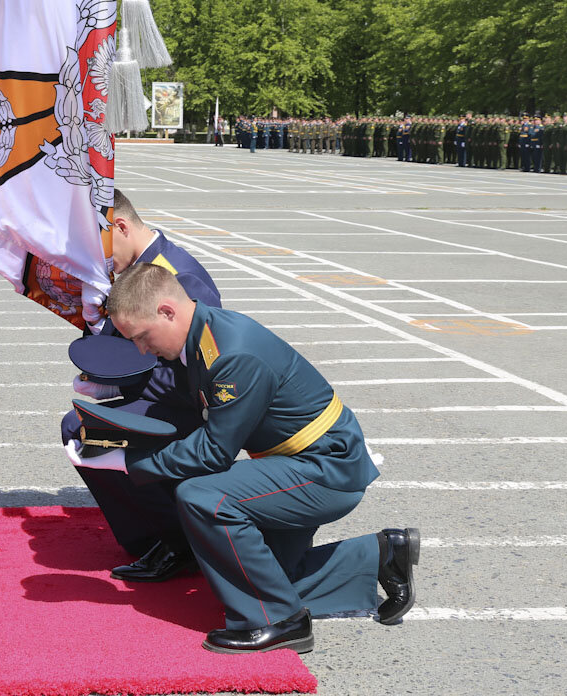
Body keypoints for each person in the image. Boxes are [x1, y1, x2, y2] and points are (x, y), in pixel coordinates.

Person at [68, 264, 418, 654]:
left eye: (143, 336)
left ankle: (281, 622)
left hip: (325, 469)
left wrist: (124, 462)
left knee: (204, 497)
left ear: (167, 311)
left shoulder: (231, 353)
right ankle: (379, 556)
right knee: (261, 579)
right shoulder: (204, 335)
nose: (142, 349)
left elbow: (214, 452)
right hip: (299, 461)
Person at [61, 189, 220, 581]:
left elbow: (196, 365)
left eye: (98, 247)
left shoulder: (176, 276)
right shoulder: (134, 270)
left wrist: (115, 391)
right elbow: (129, 350)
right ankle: (154, 536)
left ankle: (178, 541)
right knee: (79, 426)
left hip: (185, 405)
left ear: (121, 226)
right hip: (160, 395)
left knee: (88, 430)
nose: (94, 259)